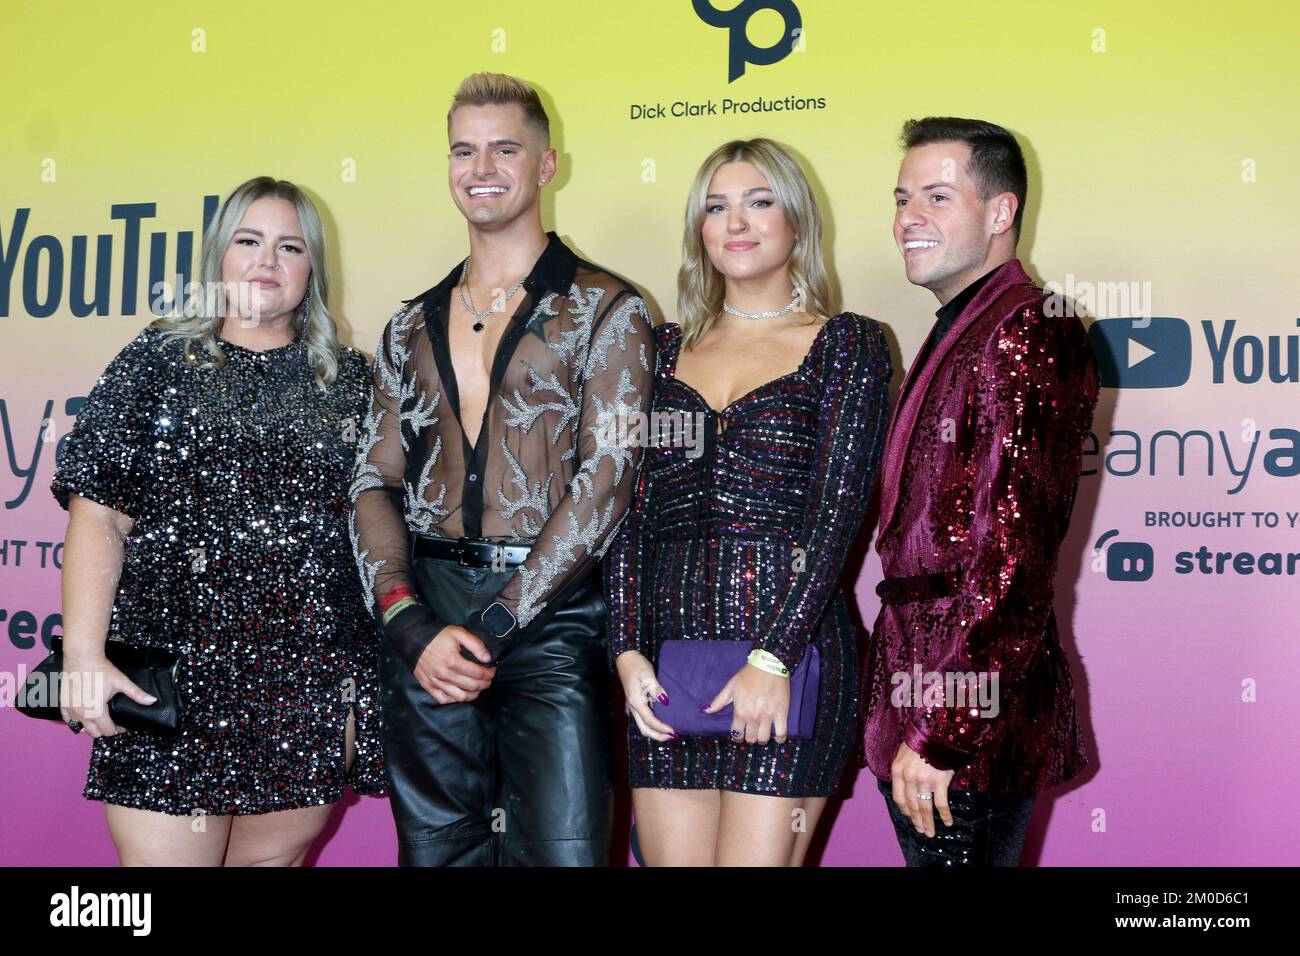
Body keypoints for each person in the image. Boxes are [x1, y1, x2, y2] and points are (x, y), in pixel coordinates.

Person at [349, 72, 655, 867]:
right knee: (437, 856)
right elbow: (372, 482)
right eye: (463, 148)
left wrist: (491, 628)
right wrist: (410, 625)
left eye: (504, 148)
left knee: (563, 853)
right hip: (426, 620)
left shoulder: (610, 309)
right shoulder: (408, 322)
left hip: (553, 625)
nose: (480, 166)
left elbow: (606, 482)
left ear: (547, 165)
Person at [53, 176, 385, 866]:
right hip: (167, 681)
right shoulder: (156, 360)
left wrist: (362, 693)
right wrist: (83, 659)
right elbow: (98, 516)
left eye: (289, 247)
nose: (267, 261)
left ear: (313, 269)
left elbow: (384, 531)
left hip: (307, 684)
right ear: (219, 257)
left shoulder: (354, 382)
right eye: (248, 241)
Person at [603, 138, 892, 866]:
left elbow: (837, 519)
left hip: (790, 660)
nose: (736, 222)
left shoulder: (846, 345)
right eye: (716, 206)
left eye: (759, 202)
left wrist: (773, 658)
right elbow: (631, 516)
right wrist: (627, 651)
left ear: (797, 220)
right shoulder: (661, 352)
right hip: (668, 669)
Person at [862, 117, 1100, 866]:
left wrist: (944, 729)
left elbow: (1013, 561)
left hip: (967, 713)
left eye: (937, 197)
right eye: (903, 198)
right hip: (923, 686)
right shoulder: (964, 324)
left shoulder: (1032, 326)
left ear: (1001, 213)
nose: (908, 218)